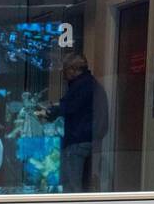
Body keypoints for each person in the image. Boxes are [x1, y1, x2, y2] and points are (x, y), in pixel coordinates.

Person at [38, 53, 108, 193]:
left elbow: (67, 107)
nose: (63, 75)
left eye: (65, 70)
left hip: (77, 139)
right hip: (90, 138)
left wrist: (49, 112)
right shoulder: (92, 84)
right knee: (82, 183)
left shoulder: (81, 86)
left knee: (71, 186)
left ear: (73, 70)